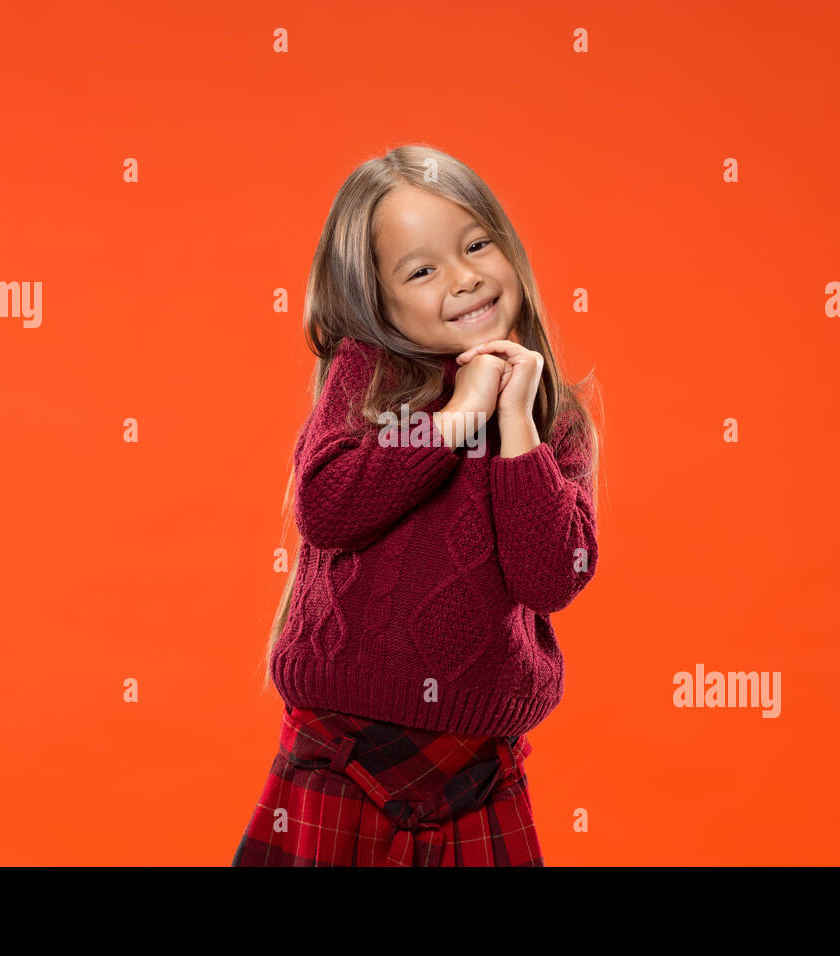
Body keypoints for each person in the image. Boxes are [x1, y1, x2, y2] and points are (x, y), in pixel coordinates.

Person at [232, 144, 603, 866]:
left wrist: (516, 428)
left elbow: (551, 577)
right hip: (342, 754)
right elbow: (328, 507)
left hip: (478, 773)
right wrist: (458, 417)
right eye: (423, 269)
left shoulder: (552, 420)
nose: (464, 279)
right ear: (378, 302)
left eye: (476, 245)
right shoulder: (368, 380)